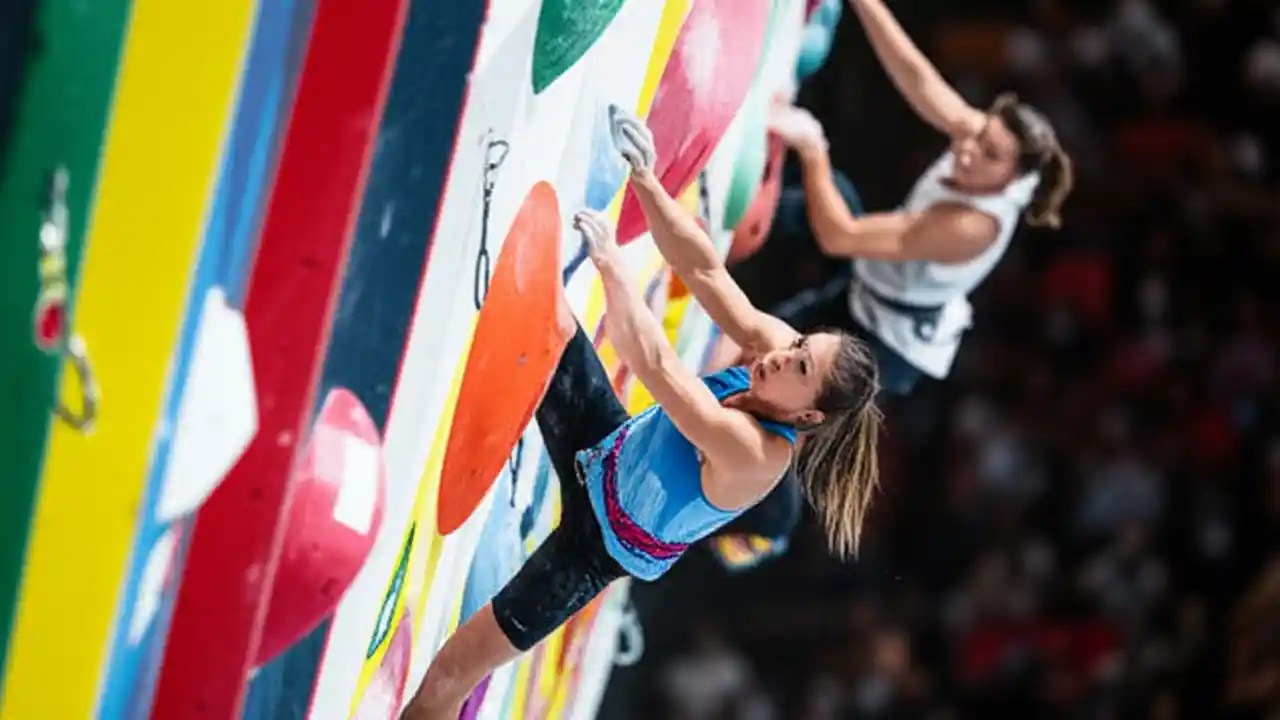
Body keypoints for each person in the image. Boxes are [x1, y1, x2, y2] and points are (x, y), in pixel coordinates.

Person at [400, 111, 883, 720]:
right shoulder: (775, 353)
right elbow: (706, 271)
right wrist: (648, 179)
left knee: (453, 670)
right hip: (603, 448)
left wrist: (612, 267)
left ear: (809, 415)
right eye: (798, 347)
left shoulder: (758, 455)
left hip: (593, 547)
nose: (782, 356)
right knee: (543, 304)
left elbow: (659, 368)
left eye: (800, 367)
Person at [702, 0, 1076, 565]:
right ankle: (721, 214)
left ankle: (768, 528)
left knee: (786, 402)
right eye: (976, 132)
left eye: (988, 153)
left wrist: (812, 146)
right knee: (813, 214)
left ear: (1013, 179)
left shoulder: (972, 226)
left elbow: (843, 237)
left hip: (890, 340)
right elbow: (917, 77)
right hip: (870, 284)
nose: (968, 148)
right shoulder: (981, 141)